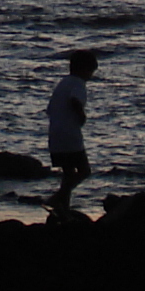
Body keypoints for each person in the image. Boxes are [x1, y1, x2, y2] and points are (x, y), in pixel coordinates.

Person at [45, 50, 97, 210]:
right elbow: (75, 100)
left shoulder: (63, 83)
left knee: (68, 173)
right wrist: (81, 116)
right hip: (70, 135)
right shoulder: (78, 84)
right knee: (84, 170)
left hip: (55, 135)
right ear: (83, 69)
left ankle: (63, 206)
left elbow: (49, 109)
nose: (91, 76)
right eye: (91, 72)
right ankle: (58, 197)